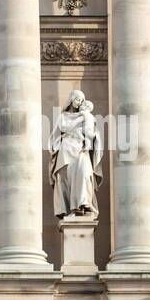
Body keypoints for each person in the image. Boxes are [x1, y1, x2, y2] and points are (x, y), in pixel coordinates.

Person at [49, 90, 102, 218]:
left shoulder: (86, 117)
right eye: (77, 99)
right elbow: (60, 132)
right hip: (66, 150)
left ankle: (83, 205)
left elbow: (92, 133)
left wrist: (93, 135)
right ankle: (68, 209)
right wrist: (80, 119)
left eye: (81, 100)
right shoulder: (63, 117)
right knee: (64, 180)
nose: (79, 102)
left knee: (85, 172)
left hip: (81, 150)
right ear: (71, 99)